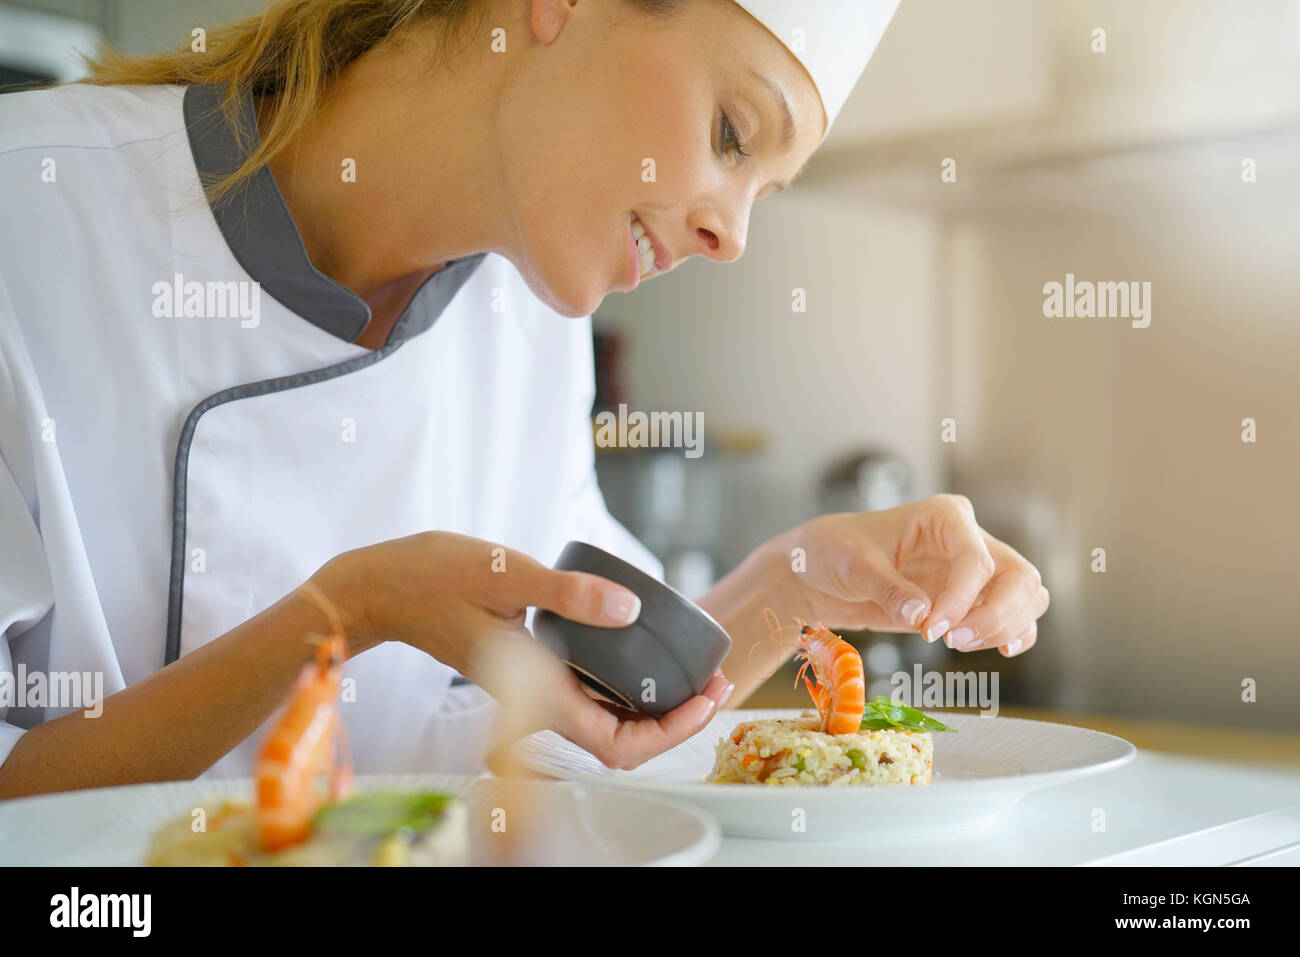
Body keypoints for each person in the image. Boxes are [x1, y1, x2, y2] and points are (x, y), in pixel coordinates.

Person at [0, 0, 1047, 800]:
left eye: (764, 193)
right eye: (733, 133)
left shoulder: (531, 313)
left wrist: (795, 585)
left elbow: (518, 737)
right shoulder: (32, 212)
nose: (732, 236)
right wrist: (348, 611)